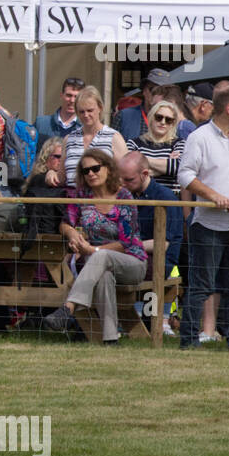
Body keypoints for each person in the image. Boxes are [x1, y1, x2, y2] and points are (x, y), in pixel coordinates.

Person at [177, 84, 229, 350]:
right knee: (201, 286)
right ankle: (189, 341)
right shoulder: (199, 137)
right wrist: (214, 196)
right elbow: (186, 175)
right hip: (209, 223)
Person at [42, 149, 147, 343]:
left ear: (108, 169)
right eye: (85, 171)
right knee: (104, 275)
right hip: (99, 264)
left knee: (100, 257)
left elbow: (126, 242)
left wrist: (93, 250)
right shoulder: (83, 196)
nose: (90, 173)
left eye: (95, 168)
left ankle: (69, 308)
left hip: (132, 262)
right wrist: (73, 233)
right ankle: (110, 339)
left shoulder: (123, 196)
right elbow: (65, 223)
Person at [118, 152, 184, 281]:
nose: (123, 184)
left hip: (157, 262)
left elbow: (162, 244)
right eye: (121, 179)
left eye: (129, 180)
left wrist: (122, 248)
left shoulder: (165, 198)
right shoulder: (125, 195)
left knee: (104, 262)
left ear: (145, 174)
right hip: (130, 256)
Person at [60, 86, 128, 187]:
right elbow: (61, 177)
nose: (86, 115)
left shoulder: (114, 137)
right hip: (73, 199)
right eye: (81, 112)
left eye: (90, 110)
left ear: (100, 108)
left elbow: (125, 175)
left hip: (103, 199)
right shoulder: (69, 139)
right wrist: (51, 173)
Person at [127, 99, 185, 194]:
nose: (163, 122)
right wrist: (166, 166)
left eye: (168, 120)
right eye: (159, 117)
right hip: (140, 200)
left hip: (170, 200)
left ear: (173, 124)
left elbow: (178, 167)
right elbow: (130, 173)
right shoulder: (134, 143)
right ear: (151, 118)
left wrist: (140, 159)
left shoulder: (179, 143)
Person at [116, 68, 173, 143]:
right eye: (153, 89)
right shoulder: (124, 116)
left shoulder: (174, 120)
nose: (157, 94)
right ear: (144, 91)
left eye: (163, 91)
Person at [35, 77, 85, 142]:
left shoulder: (86, 128)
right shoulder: (41, 124)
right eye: (69, 95)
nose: (72, 100)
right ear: (61, 95)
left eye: (76, 97)